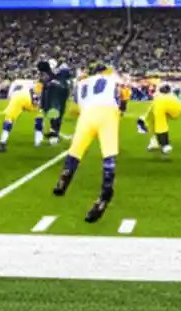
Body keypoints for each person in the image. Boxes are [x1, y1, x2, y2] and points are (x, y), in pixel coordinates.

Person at [51, 61, 125, 223]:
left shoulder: (82, 82)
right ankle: (105, 194)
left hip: (87, 114)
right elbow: (122, 96)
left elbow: (74, 109)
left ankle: (65, 177)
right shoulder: (113, 79)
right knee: (109, 154)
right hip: (107, 113)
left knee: (76, 150)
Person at [136, 81, 181, 156]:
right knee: (157, 124)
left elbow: (151, 110)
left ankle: (164, 144)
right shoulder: (170, 96)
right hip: (176, 109)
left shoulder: (159, 98)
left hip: (163, 108)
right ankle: (155, 142)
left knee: (159, 125)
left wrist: (144, 118)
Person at [0, 77, 42, 152]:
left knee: (9, 120)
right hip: (32, 99)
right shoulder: (38, 83)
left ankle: (2, 143)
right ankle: (38, 142)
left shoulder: (16, 82)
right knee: (39, 117)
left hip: (19, 98)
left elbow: (10, 95)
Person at [37, 59, 74, 145]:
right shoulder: (50, 77)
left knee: (56, 115)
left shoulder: (60, 72)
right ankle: (54, 135)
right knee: (55, 115)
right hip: (56, 94)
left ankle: (54, 134)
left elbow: (68, 77)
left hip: (59, 94)